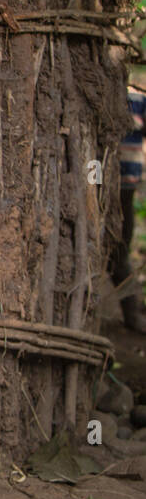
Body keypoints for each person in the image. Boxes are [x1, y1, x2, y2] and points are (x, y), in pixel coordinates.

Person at [113, 84, 146, 333]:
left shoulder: (139, 98)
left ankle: (133, 313)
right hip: (99, 182)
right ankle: (132, 314)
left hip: (125, 186)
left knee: (121, 249)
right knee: (117, 251)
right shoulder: (109, 87)